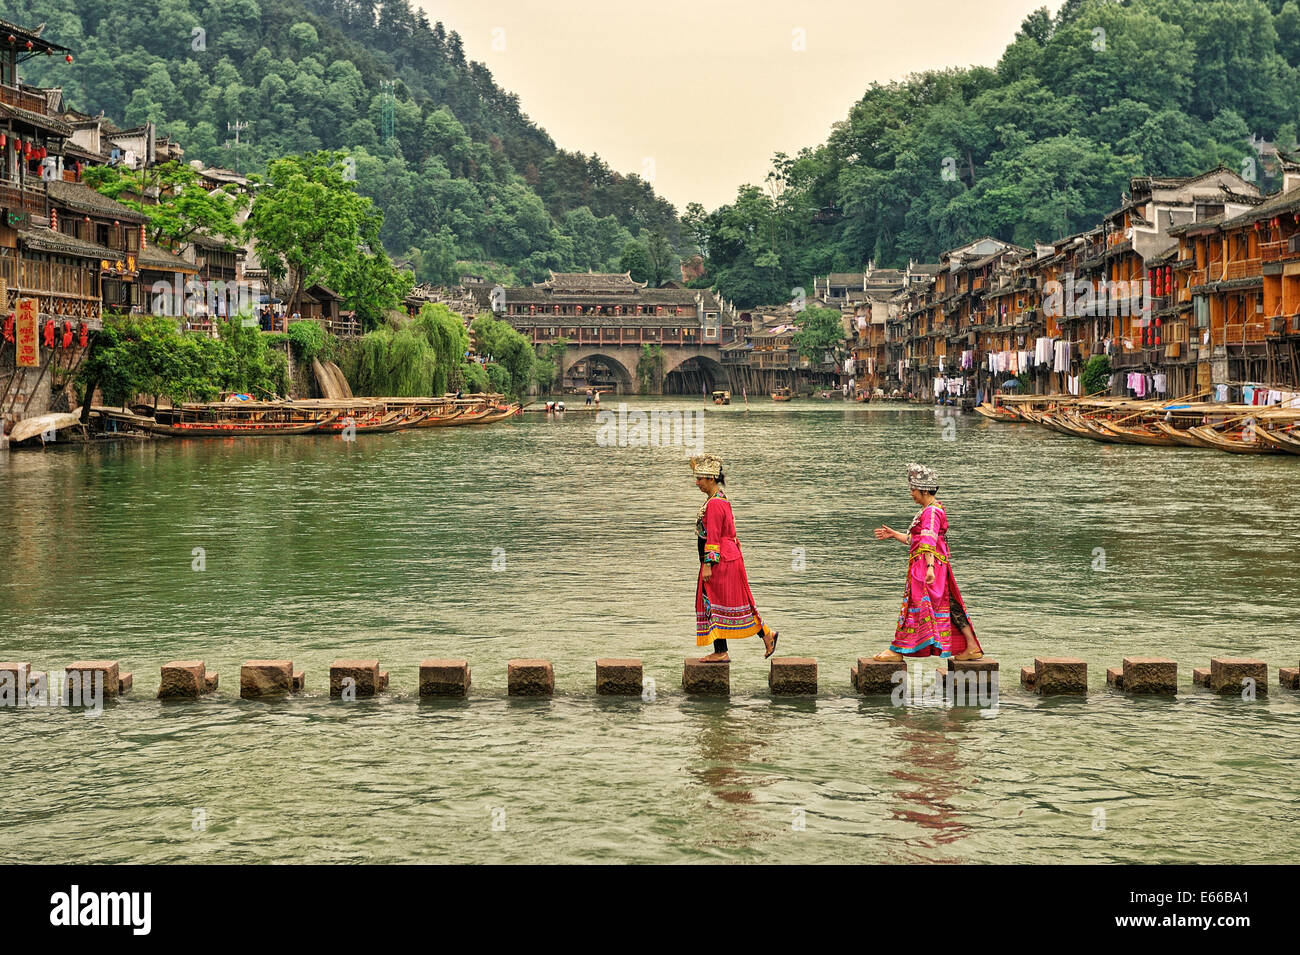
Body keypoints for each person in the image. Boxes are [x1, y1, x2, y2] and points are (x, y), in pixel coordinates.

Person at [871, 463, 982, 661]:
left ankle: (897, 649)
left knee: (914, 606)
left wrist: (929, 568)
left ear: (923, 490)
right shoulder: (932, 510)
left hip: (927, 567)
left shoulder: (931, 512)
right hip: (935, 565)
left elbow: (929, 541)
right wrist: (893, 534)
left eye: (913, 490)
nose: (911, 494)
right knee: (949, 603)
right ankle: (971, 646)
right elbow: (916, 540)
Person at [690, 454, 779, 662]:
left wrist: (708, 564)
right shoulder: (719, 498)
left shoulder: (714, 504)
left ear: (710, 478)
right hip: (728, 557)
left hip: (721, 561)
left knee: (711, 600)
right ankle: (765, 634)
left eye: (700, 479)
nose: (697, 483)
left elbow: (713, 535)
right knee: (727, 601)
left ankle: (722, 651)